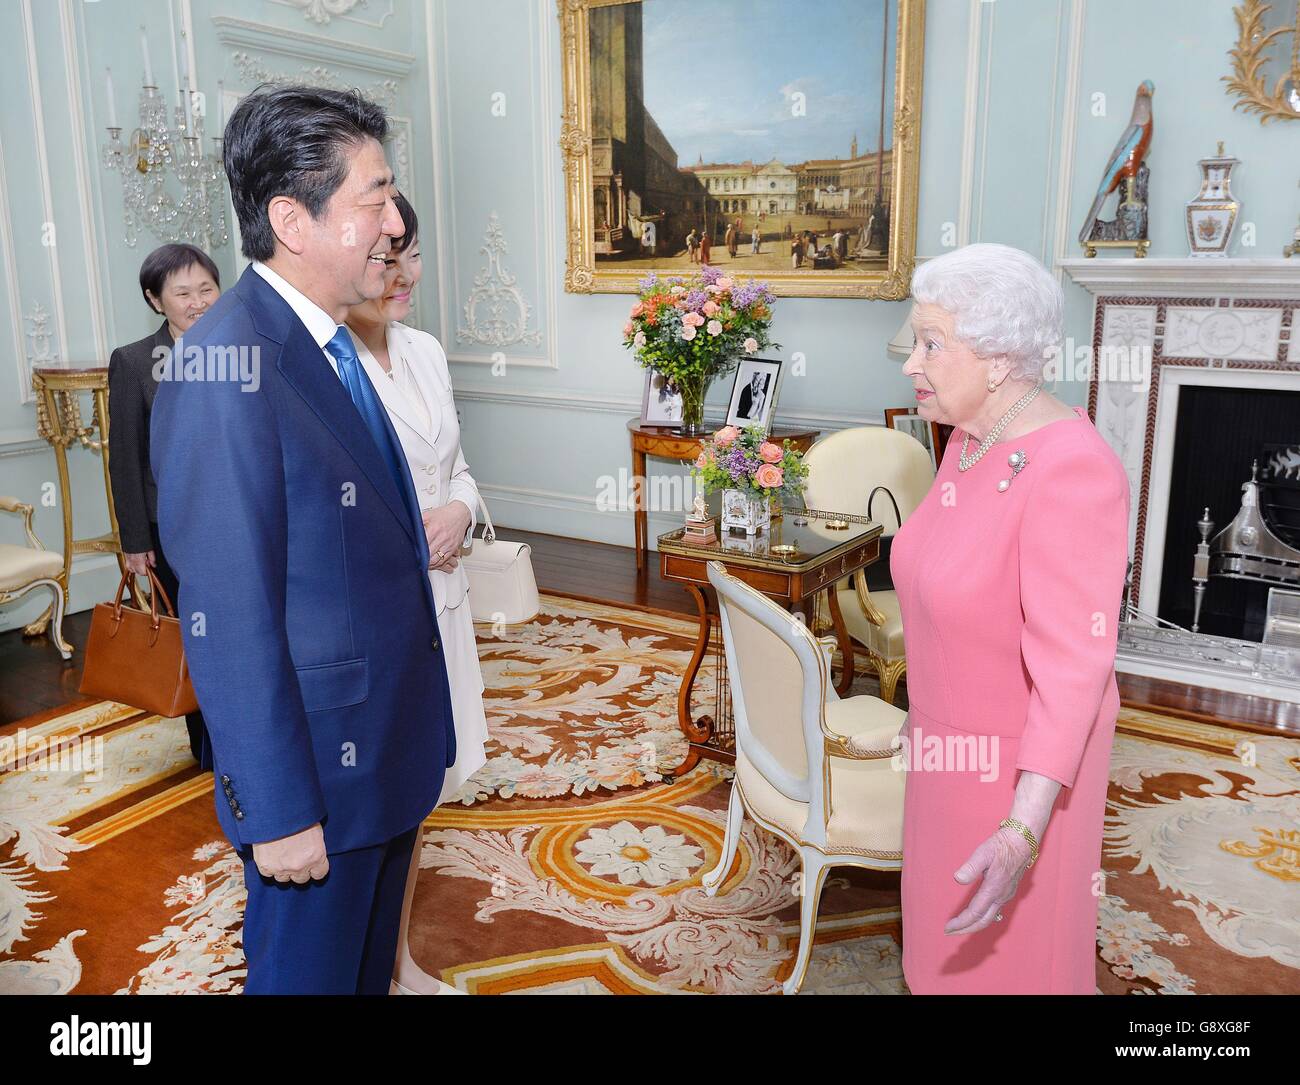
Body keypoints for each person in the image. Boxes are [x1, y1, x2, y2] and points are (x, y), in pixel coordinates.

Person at [151, 84, 458, 995]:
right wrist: (278, 809)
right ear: (293, 217)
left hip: (379, 760)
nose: (397, 221)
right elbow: (229, 610)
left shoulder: (327, 343)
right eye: (376, 196)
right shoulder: (225, 363)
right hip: (316, 787)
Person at [891, 242, 1130, 993]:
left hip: (1021, 770)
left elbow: (1072, 670)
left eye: (932, 343)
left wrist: (1024, 826)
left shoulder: (1072, 469)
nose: (911, 363)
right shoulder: (971, 437)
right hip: (945, 750)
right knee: (940, 940)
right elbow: (943, 588)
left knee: (1014, 959)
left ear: (997, 360)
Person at [344, 194, 488, 996]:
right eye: (385, 256)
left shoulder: (427, 350)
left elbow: (457, 466)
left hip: (448, 604)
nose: (402, 274)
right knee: (381, 804)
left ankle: (398, 963)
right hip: (386, 618)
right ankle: (371, 969)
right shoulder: (333, 365)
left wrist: (460, 510)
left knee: (421, 798)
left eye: (412, 253)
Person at [108, 243, 219, 769]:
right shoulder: (133, 363)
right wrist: (134, 542)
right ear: (156, 301)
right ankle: (209, 749)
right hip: (170, 529)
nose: (198, 302)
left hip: (235, 523)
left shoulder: (242, 354)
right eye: (182, 293)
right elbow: (124, 459)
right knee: (194, 640)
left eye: (206, 289)